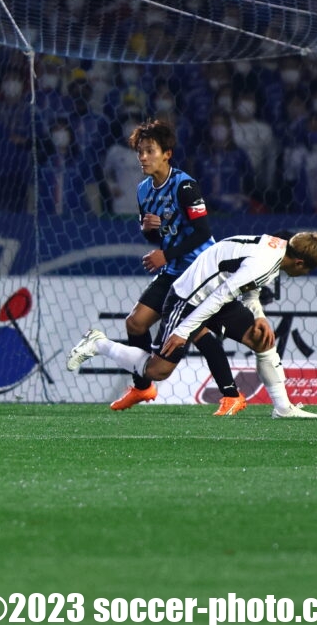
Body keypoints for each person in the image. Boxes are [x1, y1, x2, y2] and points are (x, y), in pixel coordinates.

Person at [67, 232, 317, 419]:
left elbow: (249, 290)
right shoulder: (264, 262)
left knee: (261, 338)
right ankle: (98, 343)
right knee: (157, 371)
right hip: (188, 300)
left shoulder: (277, 248)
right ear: (300, 263)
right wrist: (183, 331)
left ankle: (283, 408)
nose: (303, 275)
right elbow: (221, 295)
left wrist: (258, 316)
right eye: (306, 271)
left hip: (213, 295)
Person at [110, 119, 247, 414]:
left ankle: (232, 395)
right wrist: (149, 231)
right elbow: (154, 232)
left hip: (201, 270)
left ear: (167, 153)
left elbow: (201, 232)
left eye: (149, 151)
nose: (143, 157)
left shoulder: (185, 185)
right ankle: (143, 388)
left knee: (196, 330)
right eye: (140, 152)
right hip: (173, 270)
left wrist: (165, 254)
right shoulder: (144, 189)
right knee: (135, 323)